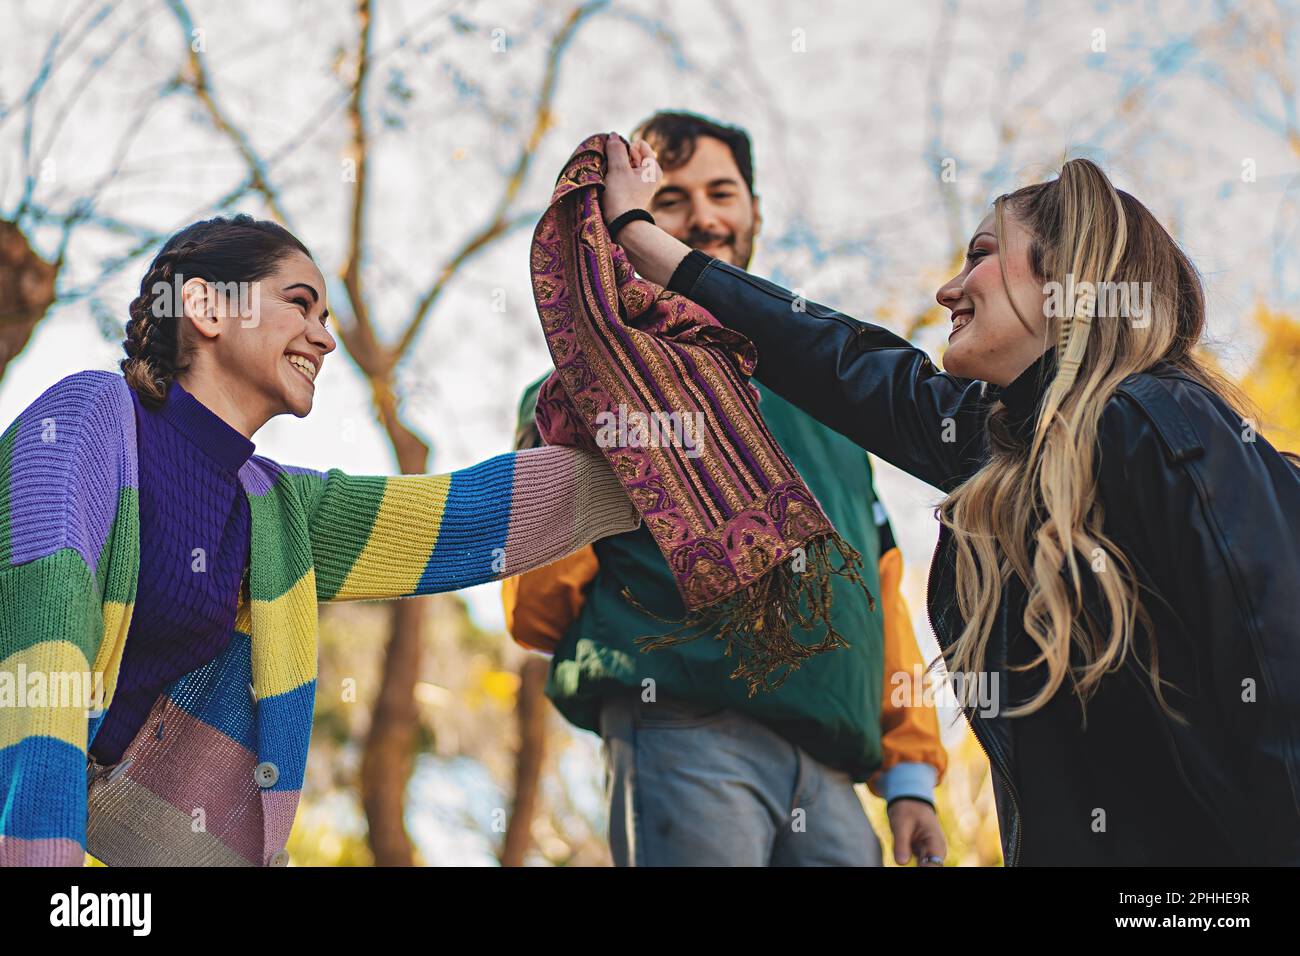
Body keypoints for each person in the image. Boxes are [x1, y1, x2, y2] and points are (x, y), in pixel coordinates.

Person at [598, 133, 1300, 865]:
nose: (948, 289)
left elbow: (1279, 674)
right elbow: (850, 367)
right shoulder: (1019, 454)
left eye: (982, 252)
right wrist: (641, 242)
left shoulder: (1157, 423)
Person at [0, 214, 640, 866]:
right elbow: (42, 640)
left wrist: (662, 460)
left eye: (327, 317)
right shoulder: (93, 416)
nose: (324, 339)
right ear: (203, 308)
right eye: (299, 304)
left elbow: (465, 520)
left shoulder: (271, 507)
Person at [503, 112, 948, 867]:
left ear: (753, 214)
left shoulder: (827, 406)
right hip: (681, 724)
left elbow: (881, 596)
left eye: (723, 192)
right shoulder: (584, 389)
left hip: (836, 775)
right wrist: (575, 429)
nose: (704, 216)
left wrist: (910, 776)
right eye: (670, 199)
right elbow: (539, 606)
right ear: (625, 220)